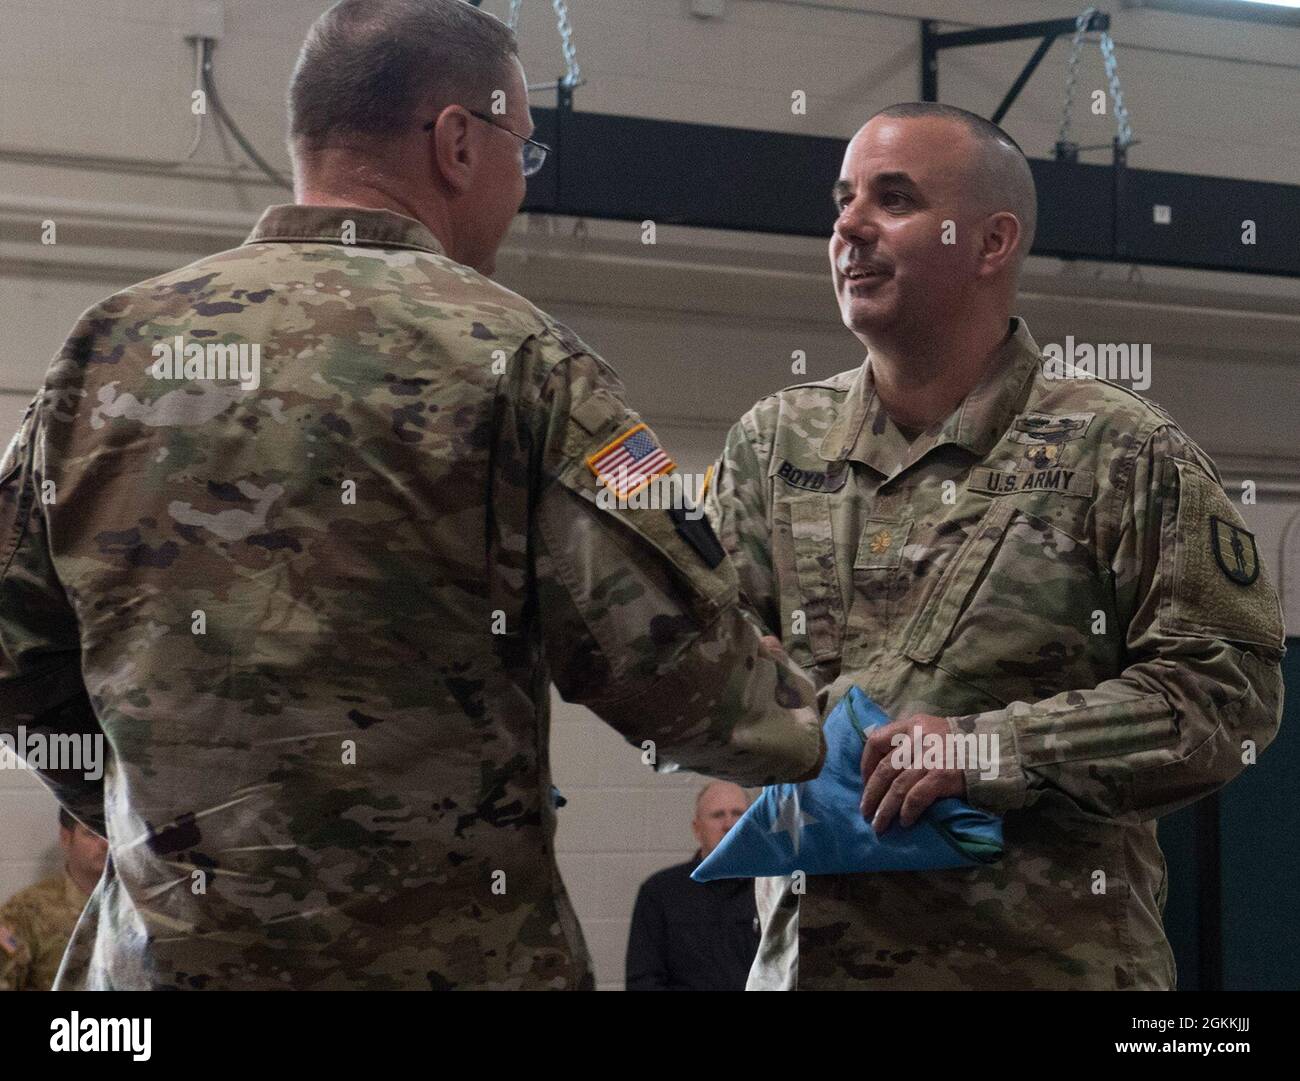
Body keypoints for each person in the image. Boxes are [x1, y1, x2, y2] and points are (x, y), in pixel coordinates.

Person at [0, 0, 824, 991]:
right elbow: (689, 689)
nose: (523, 179)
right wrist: (832, 722)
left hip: (156, 973)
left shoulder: (104, 350)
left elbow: (14, 654)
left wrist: (172, 810)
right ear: (457, 142)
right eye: (525, 145)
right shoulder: (520, 360)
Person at [706, 102, 1285, 990]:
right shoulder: (772, 445)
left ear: (991, 242)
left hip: (1042, 965)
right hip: (812, 965)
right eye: (842, 201)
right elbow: (709, 669)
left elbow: (1228, 696)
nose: (849, 227)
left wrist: (987, 750)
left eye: (892, 199)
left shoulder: (1117, 449)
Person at [626, 781, 757, 991]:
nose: (728, 824)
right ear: (697, 829)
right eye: (717, 815)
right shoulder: (660, 893)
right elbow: (643, 981)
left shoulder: (774, 890)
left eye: (738, 814)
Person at [0, 810, 105, 991]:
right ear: (66, 838)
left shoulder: (148, 906)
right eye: (92, 833)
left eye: (112, 833)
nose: (105, 843)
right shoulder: (27, 910)